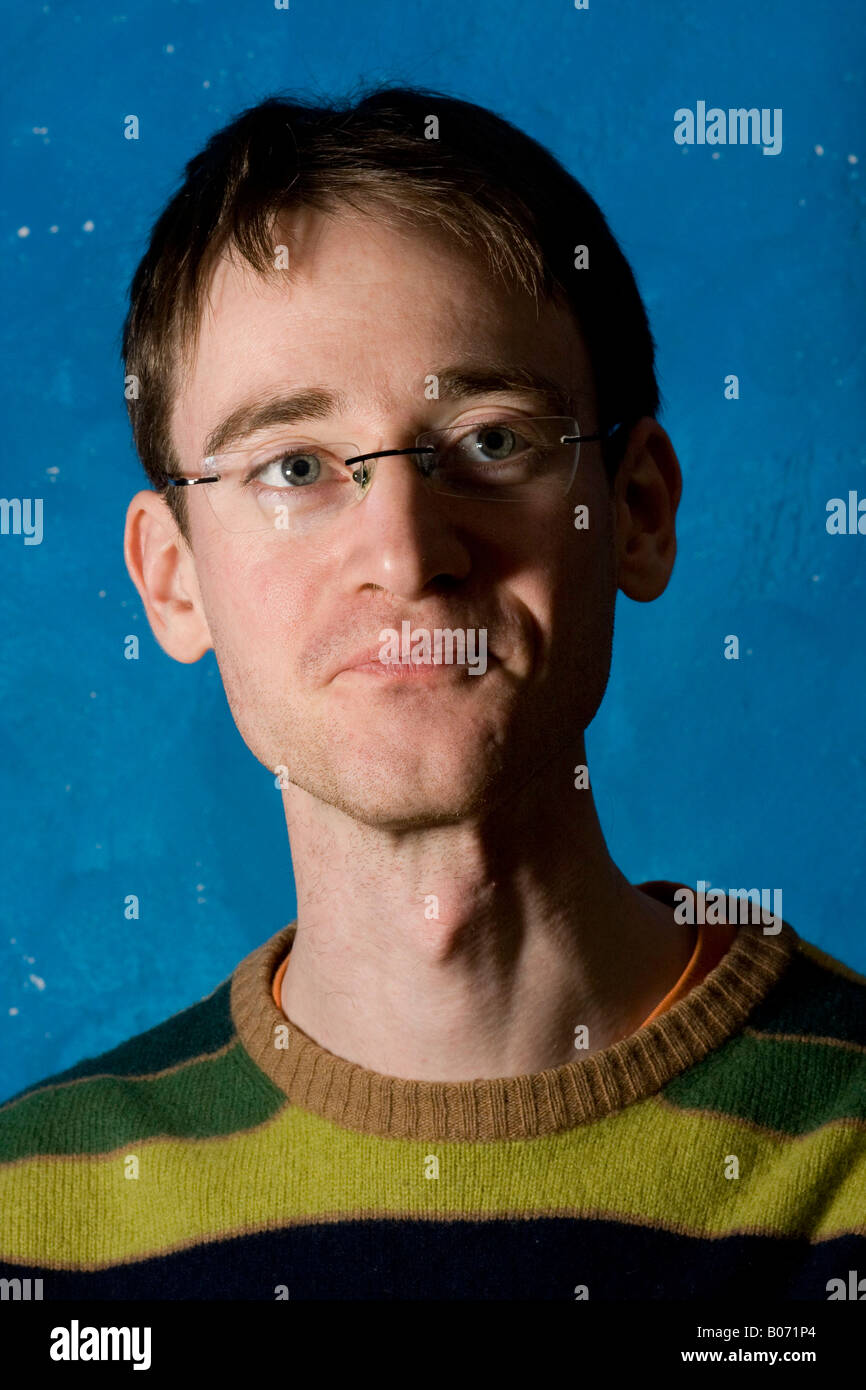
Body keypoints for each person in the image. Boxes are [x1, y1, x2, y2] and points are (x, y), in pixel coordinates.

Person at [0, 85, 863, 1301]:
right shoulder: (32, 1220)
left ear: (636, 511)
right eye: (293, 465)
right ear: (172, 577)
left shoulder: (847, 1158)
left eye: (493, 440)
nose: (406, 555)